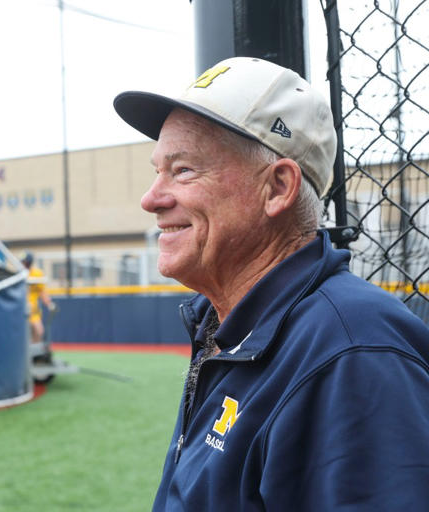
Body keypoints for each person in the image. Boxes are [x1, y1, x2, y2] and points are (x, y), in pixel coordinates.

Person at [114, 56, 429, 510]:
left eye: (182, 170)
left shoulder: (354, 352)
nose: (151, 199)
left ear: (278, 187)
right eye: (157, 171)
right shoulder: (226, 322)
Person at [21, 251, 55, 343]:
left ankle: (34, 350)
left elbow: (42, 292)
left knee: (39, 331)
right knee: (23, 333)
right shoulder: (19, 274)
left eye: (24, 262)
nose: (23, 264)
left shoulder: (37, 273)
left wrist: (49, 303)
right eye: (22, 262)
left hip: (33, 309)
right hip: (21, 308)